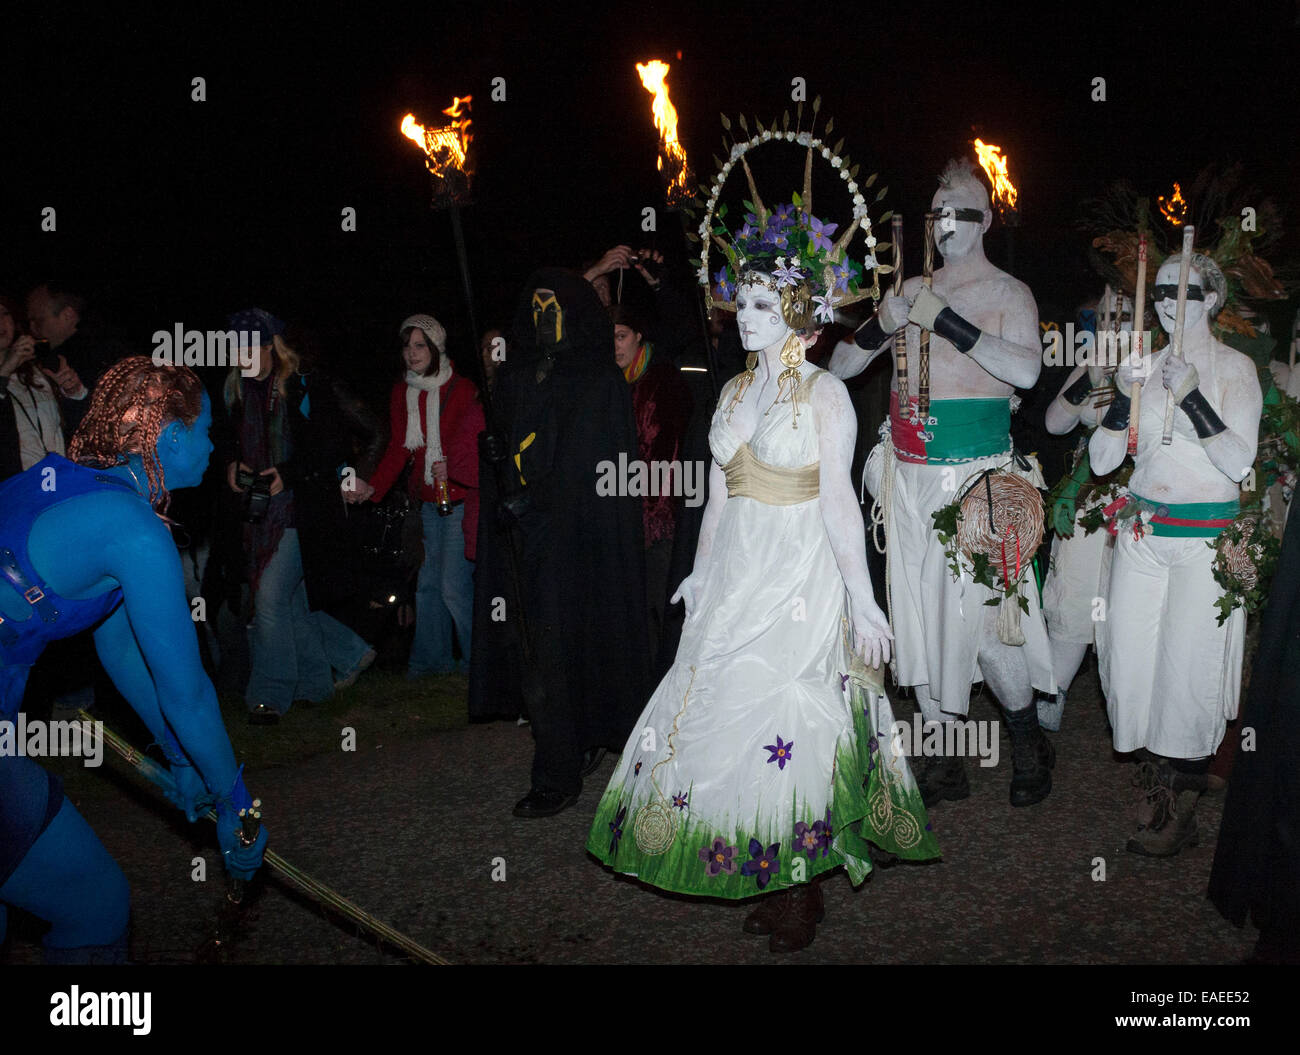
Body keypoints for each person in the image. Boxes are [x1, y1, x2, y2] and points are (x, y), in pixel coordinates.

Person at [588, 139, 940, 953]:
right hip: (740, 563)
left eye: (755, 303)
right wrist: (702, 572)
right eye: (737, 303)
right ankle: (759, 860)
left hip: (800, 572)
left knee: (792, 717)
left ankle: (803, 886)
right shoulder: (735, 388)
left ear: (796, 313)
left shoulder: (826, 394)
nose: (740, 315)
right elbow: (720, 491)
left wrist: (861, 594)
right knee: (724, 713)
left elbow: (840, 503)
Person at [0, 357, 266, 963]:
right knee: (93, 902)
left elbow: (119, 648)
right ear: (171, 437)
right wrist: (237, 803)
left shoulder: (69, 485)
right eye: (205, 432)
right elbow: (189, 691)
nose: (212, 445)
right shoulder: (135, 530)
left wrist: (182, 759)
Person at [831, 158, 1056, 808]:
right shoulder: (907, 288)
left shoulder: (1009, 293)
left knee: (987, 622)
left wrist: (943, 320)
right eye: (936, 212)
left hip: (976, 482)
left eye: (956, 210)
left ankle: (1026, 741)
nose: (944, 223)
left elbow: (1027, 371)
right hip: (907, 478)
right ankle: (945, 757)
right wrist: (888, 319)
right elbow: (845, 363)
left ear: (983, 218)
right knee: (922, 619)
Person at [1089, 252, 1261, 855]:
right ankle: (1158, 785)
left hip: (1205, 542)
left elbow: (1240, 463)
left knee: (1188, 671)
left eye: (1180, 290)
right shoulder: (1142, 366)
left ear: (1210, 299)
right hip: (1142, 533)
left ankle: (1174, 805)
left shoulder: (1235, 369)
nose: (1165, 299)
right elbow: (1101, 462)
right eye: (1159, 289)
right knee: (1132, 666)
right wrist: (1121, 397)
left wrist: (1191, 399)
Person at [482, 268, 649, 818]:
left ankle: (559, 770)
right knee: (536, 651)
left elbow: (593, 463)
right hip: (526, 540)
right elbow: (509, 446)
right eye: (536, 308)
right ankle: (561, 752)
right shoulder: (516, 378)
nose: (544, 318)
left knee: (567, 648)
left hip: (578, 543)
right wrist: (498, 463)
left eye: (554, 307)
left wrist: (542, 498)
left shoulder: (598, 380)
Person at [221, 309, 377, 724]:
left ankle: (269, 695)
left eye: (251, 347)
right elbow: (225, 443)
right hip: (258, 513)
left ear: (273, 346)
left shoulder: (305, 385)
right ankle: (318, 683)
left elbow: (331, 448)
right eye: (236, 348)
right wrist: (232, 466)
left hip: (303, 510)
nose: (243, 356)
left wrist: (286, 475)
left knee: (270, 598)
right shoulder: (235, 392)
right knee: (290, 604)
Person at [348, 314, 484, 677]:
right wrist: (372, 487)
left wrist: (454, 467)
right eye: (407, 346)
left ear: (436, 347)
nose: (411, 353)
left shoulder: (465, 388)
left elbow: (476, 444)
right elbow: (398, 449)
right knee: (426, 588)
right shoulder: (403, 393)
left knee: (454, 588)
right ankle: (430, 665)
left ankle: (479, 665)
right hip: (425, 503)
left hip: (459, 501)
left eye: (420, 345)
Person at [1039, 288, 1131, 730]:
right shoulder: (1090, 362)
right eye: (1107, 314)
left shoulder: (1155, 365)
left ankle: (1130, 727)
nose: (1115, 323)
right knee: (1073, 603)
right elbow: (1055, 423)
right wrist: (1090, 381)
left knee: (1123, 611)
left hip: (1136, 505)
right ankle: (1045, 719)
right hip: (1084, 503)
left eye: (1125, 315)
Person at [611, 302, 693, 657]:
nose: (615, 345)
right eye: (609, 338)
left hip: (662, 511)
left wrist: (649, 510)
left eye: (621, 336)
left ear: (638, 336)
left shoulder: (662, 378)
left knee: (662, 601)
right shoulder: (612, 383)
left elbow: (666, 449)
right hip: (624, 507)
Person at [25, 282, 124, 434]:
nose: (32, 328)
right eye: (30, 322)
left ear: (67, 315)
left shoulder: (86, 354)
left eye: (39, 320)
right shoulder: (108, 341)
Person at [0, 295, 65, 480]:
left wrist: (74, 392)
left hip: (56, 477)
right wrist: (5, 370)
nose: (1, 322)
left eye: (5, 313)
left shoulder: (37, 368)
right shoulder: (8, 369)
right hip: (14, 488)